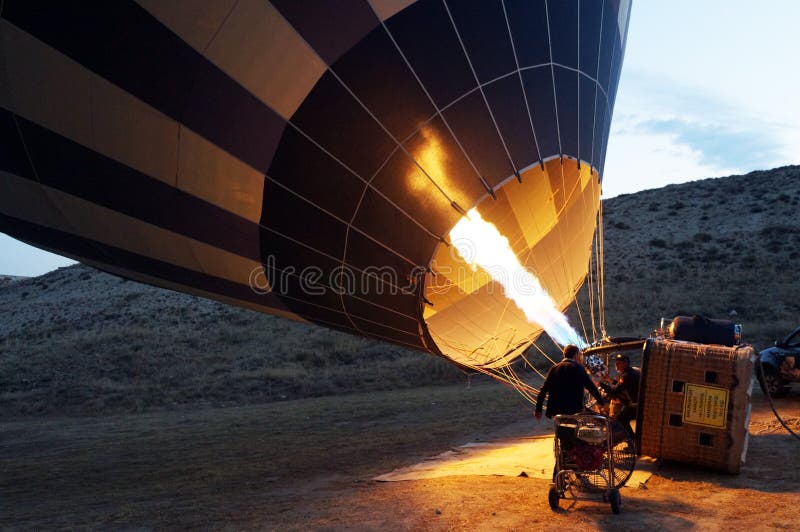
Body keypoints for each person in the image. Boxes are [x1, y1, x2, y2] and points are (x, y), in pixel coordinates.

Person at [535, 344, 605, 420]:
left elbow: (543, 390)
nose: (581, 357)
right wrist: (601, 402)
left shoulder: (554, 368)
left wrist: (538, 409)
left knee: (559, 426)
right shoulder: (578, 367)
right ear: (575, 355)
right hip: (573, 411)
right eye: (579, 355)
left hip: (556, 411)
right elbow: (590, 386)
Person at [599, 352, 641, 438]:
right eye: (616, 362)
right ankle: (631, 439)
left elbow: (614, 391)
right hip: (637, 403)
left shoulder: (626, 375)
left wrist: (600, 384)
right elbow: (621, 385)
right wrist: (610, 380)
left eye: (618, 363)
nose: (616, 365)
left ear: (625, 363)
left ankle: (632, 440)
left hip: (635, 406)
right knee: (621, 418)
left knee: (621, 419)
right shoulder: (630, 372)